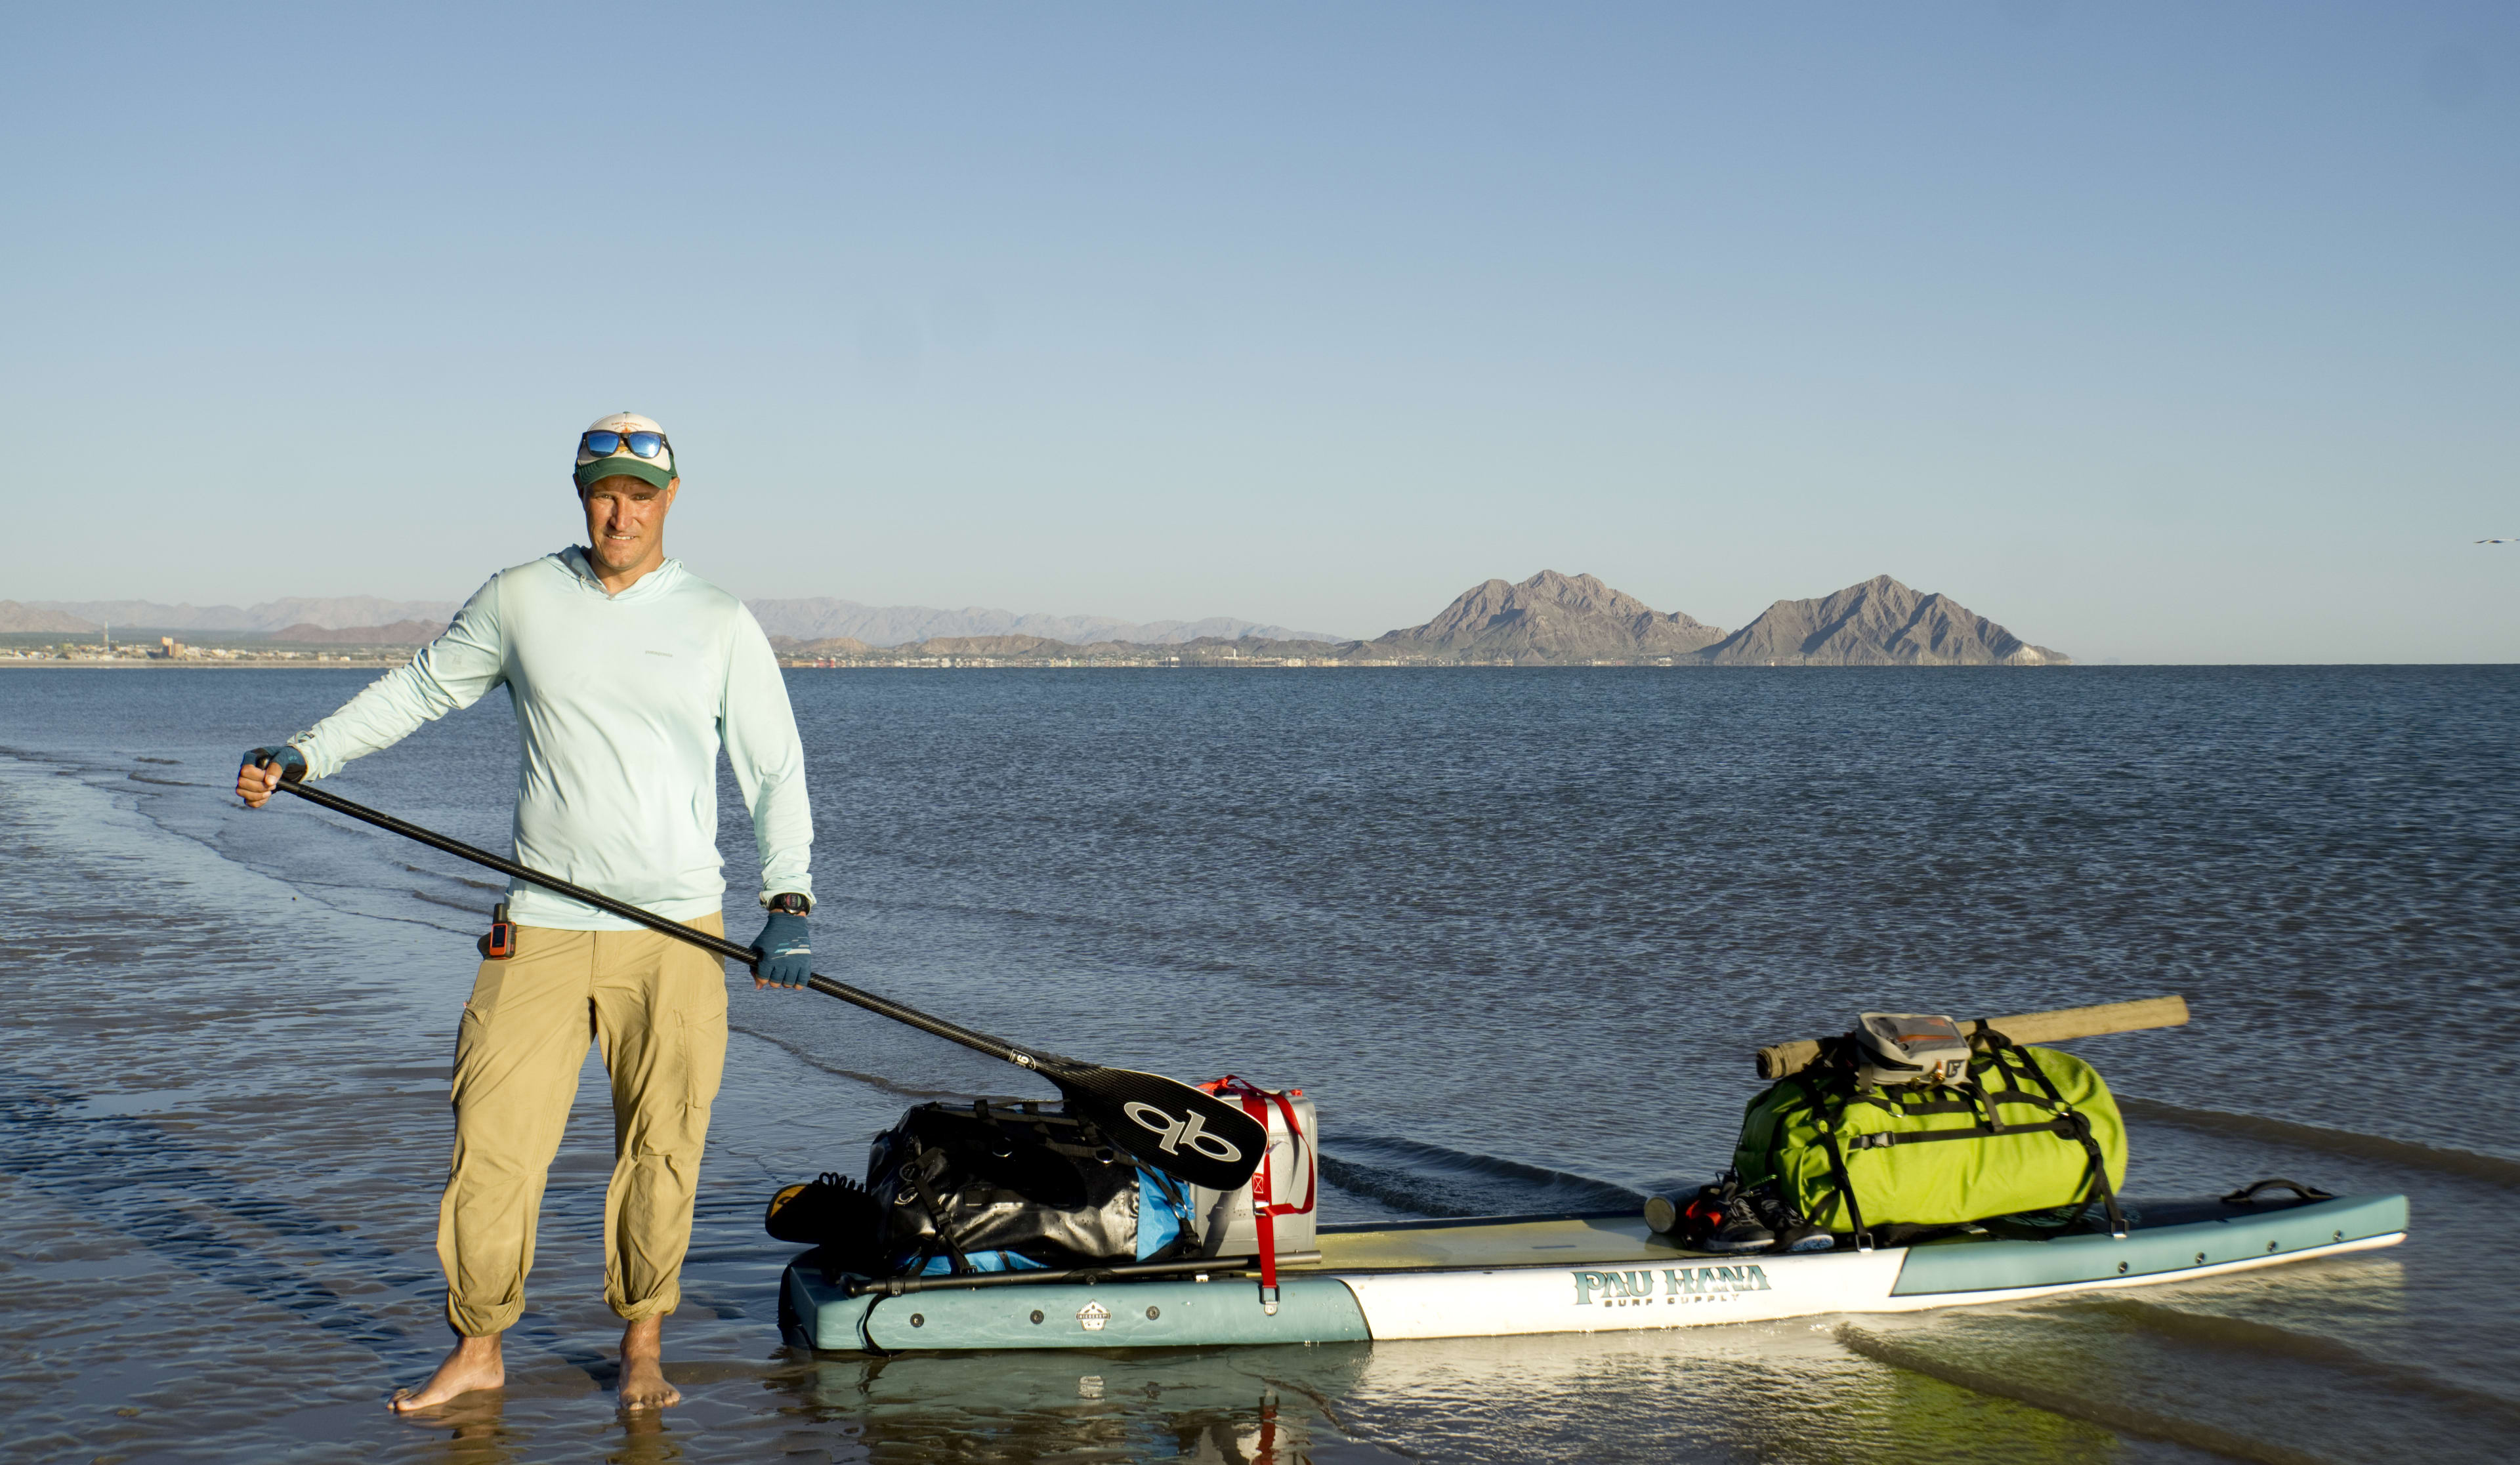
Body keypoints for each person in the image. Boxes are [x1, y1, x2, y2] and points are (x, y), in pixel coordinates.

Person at [234, 411, 817, 1413]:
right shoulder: (520, 598)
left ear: (670, 499)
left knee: (662, 1146)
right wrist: (305, 753)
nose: (620, 510)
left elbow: (773, 767)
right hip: (541, 922)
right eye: (604, 491)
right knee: (492, 1139)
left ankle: (642, 1345)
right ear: (581, 493)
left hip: (675, 933)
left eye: (640, 492)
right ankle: (479, 1347)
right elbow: (417, 690)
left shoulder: (718, 619)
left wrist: (789, 897)